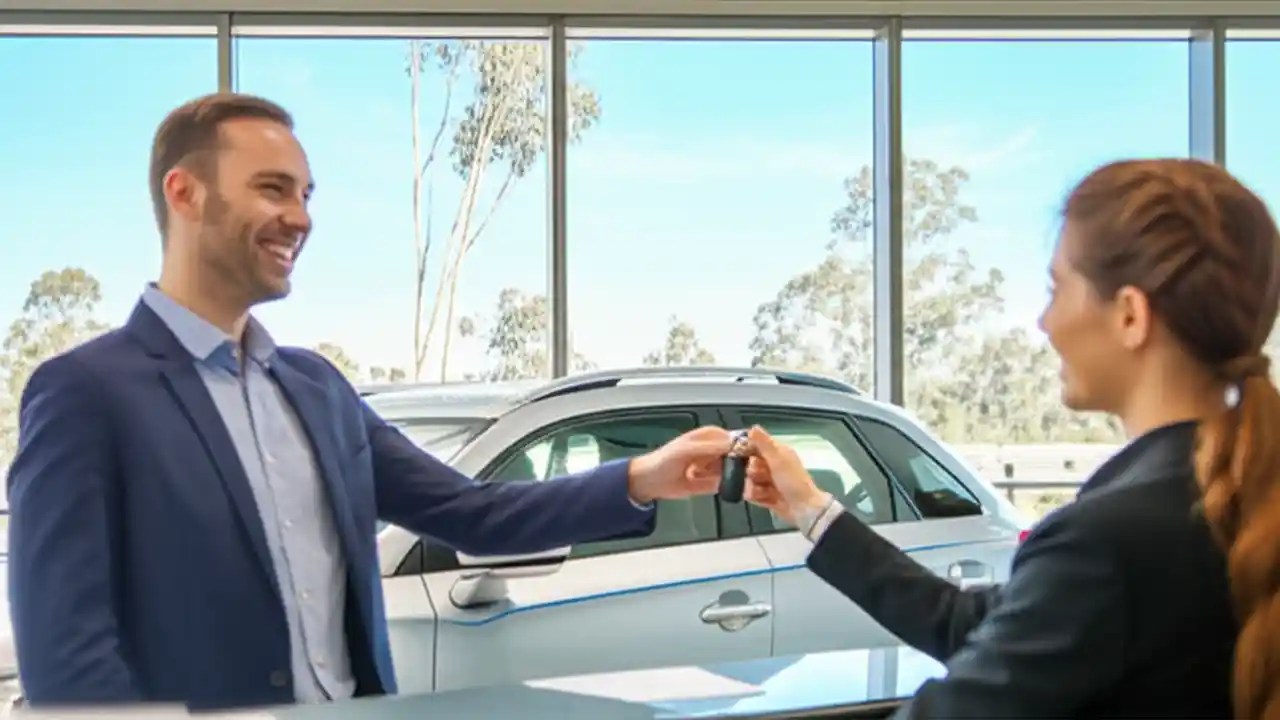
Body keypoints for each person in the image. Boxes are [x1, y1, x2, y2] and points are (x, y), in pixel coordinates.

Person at [5, 92, 735, 711]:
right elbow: (68, 665)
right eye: (272, 188)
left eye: (305, 194)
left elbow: (472, 515)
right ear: (184, 192)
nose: (301, 217)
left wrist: (643, 477)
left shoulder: (317, 388)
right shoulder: (84, 395)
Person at [742, 157, 1280, 719]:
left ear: (1129, 316)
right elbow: (980, 628)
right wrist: (809, 507)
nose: (1044, 322)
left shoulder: (1108, 543)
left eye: (1057, 289)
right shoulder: (1232, 497)